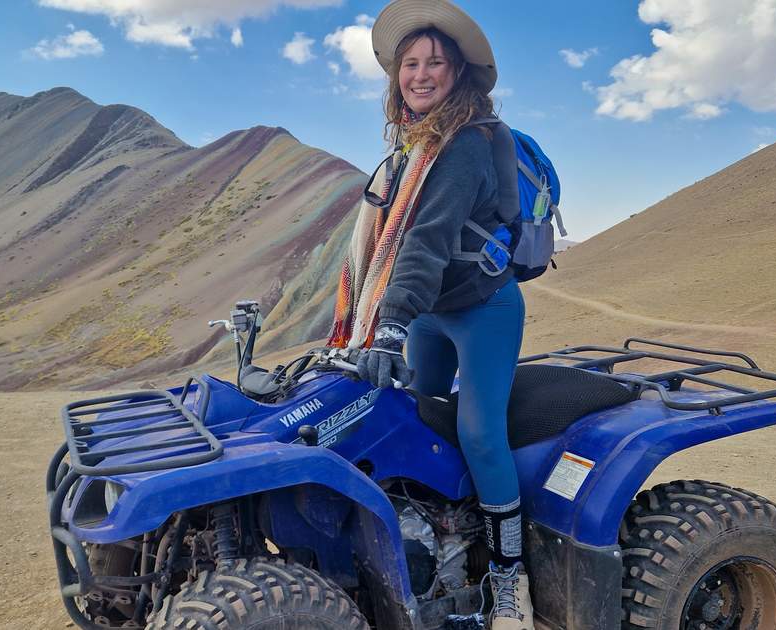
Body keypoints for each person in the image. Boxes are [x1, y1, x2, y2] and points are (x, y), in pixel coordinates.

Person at [326, 1, 531, 628]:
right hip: (429, 312)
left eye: (434, 63)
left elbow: (427, 241)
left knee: (478, 435)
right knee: (411, 421)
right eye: (409, 64)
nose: (420, 74)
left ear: (458, 73)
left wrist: (390, 321)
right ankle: (440, 542)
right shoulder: (416, 146)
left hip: (482, 309)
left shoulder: (466, 145)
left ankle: (508, 580)